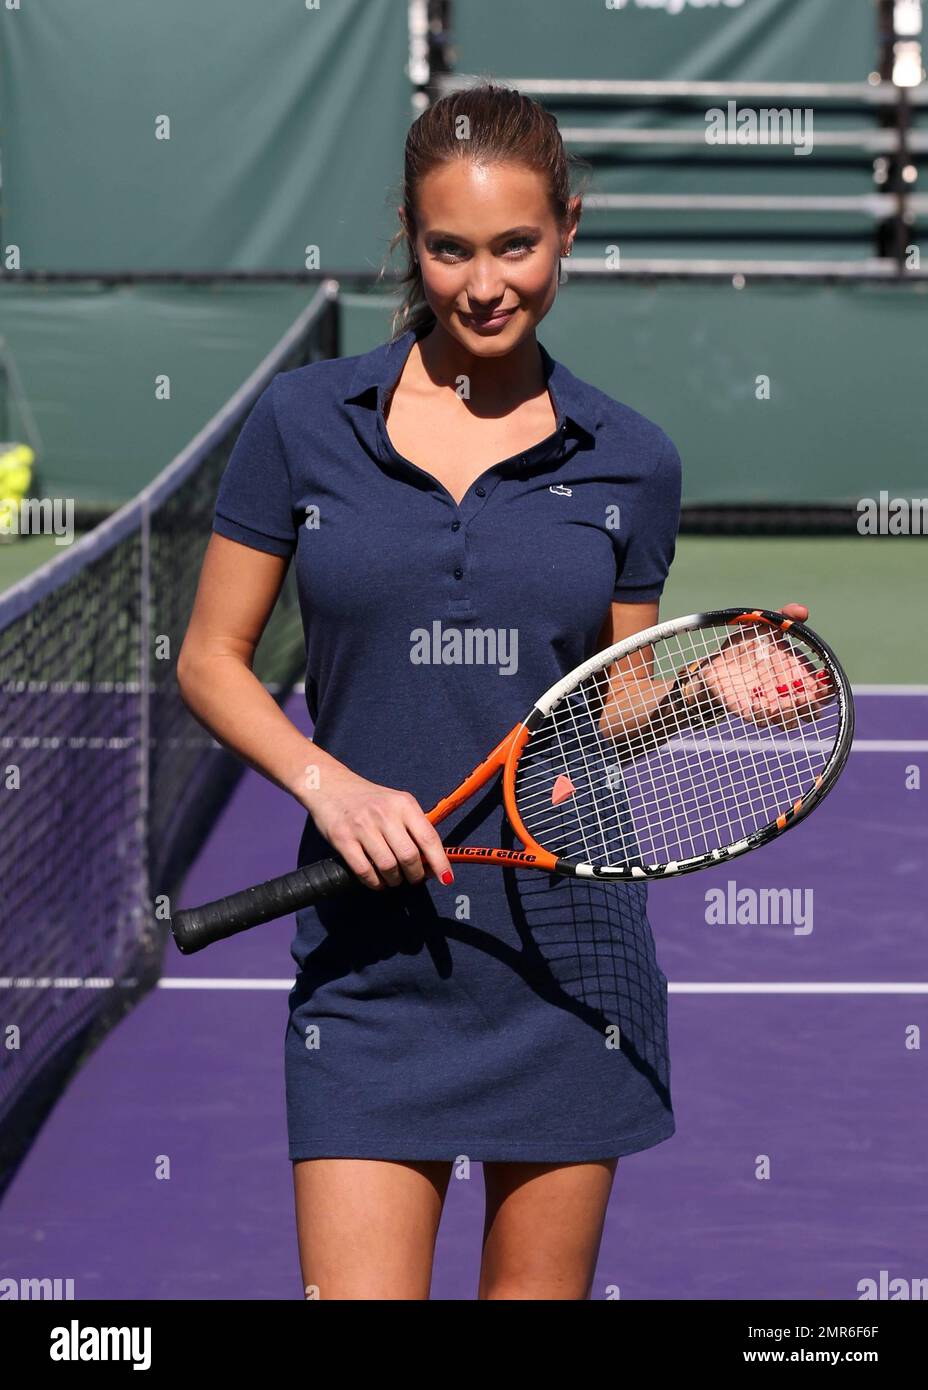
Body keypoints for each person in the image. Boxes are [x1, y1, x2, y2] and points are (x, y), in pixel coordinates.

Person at [178, 81, 810, 1300]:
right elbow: (211, 657)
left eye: (517, 244)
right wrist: (330, 782)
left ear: (568, 227)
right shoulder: (304, 422)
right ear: (409, 242)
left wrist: (707, 690)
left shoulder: (632, 457)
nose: (484, 283)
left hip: (567, 965)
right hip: (367, 970)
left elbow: (606, 704)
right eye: (449, 247)